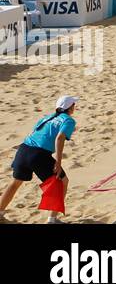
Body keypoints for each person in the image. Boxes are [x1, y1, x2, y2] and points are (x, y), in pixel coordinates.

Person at [0, 95, 78, 223]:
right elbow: (59, 138)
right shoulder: (68, 120)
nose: (75, 107)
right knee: (62, 181)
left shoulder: (46, 117)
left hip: (23, 149)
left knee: (15, 182)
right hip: (38, 154)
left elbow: (36, 133)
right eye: (74, 105)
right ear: (70, 108)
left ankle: (0, 211)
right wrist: (58, 162)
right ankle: (52, 219)